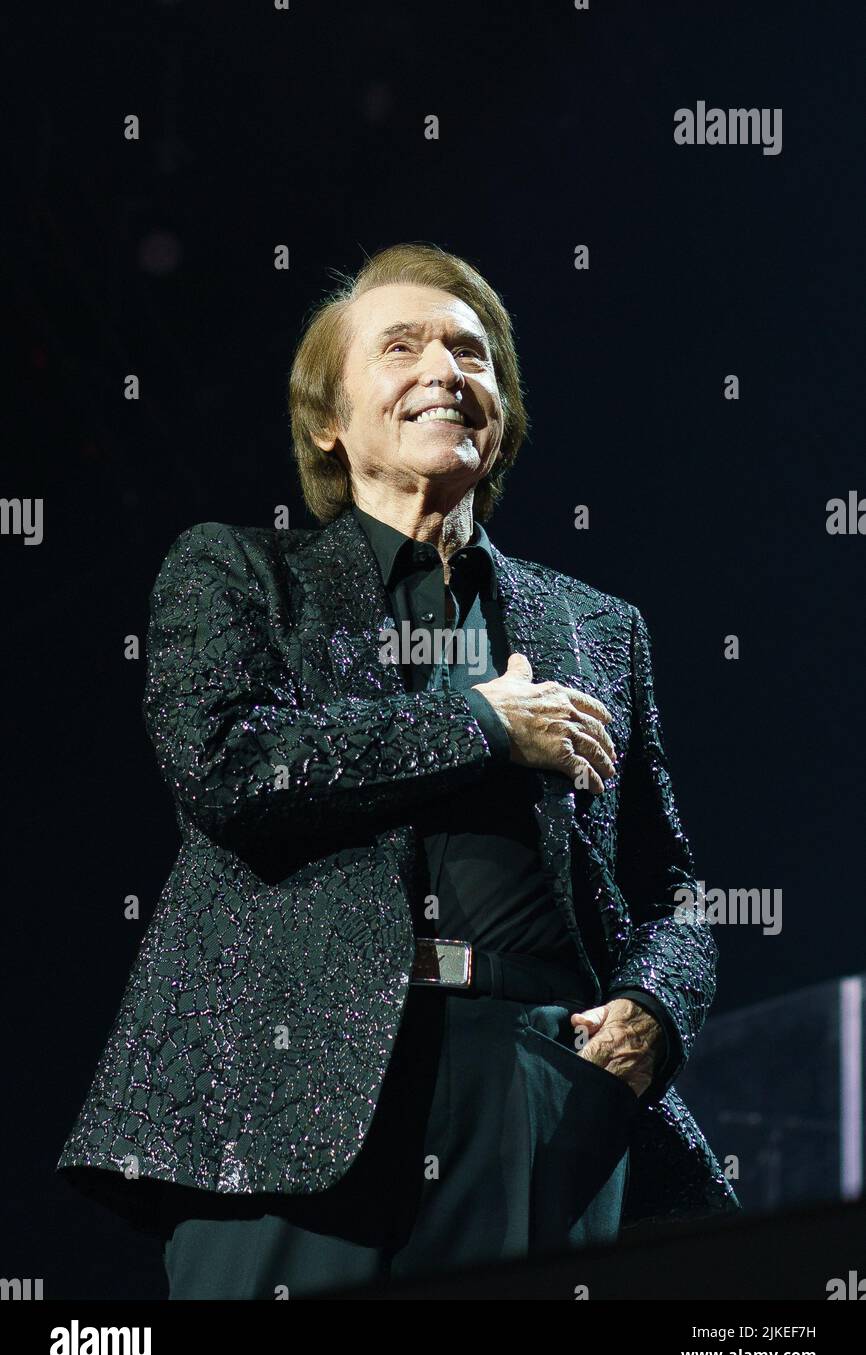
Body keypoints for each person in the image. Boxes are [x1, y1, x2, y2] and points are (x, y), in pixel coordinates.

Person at [57, 241, 740, 1298]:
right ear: (329, 422)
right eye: (402, 345)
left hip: (539, 1086)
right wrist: (477, 723)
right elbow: (230, 769)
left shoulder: (598, 626)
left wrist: (657, 1003)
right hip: (289, 1092)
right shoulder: (241, 574)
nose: (445, 369)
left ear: (499, 416)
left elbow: (672, 887)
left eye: (472, 354)